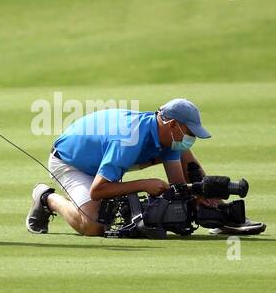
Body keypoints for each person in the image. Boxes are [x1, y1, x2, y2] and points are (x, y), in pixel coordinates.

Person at [26, 98, 216, 236]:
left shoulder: (168, 136)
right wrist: (144, 184)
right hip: (70, 163)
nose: (192, 138)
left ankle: (216, 204)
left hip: (104, 158)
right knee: (93, 226)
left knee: (184, 152)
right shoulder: (129, 139)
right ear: (173, 125)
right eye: (190, 133)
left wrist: (199, 198)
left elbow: (178, 186)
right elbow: (98, 190)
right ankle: (46, 198)